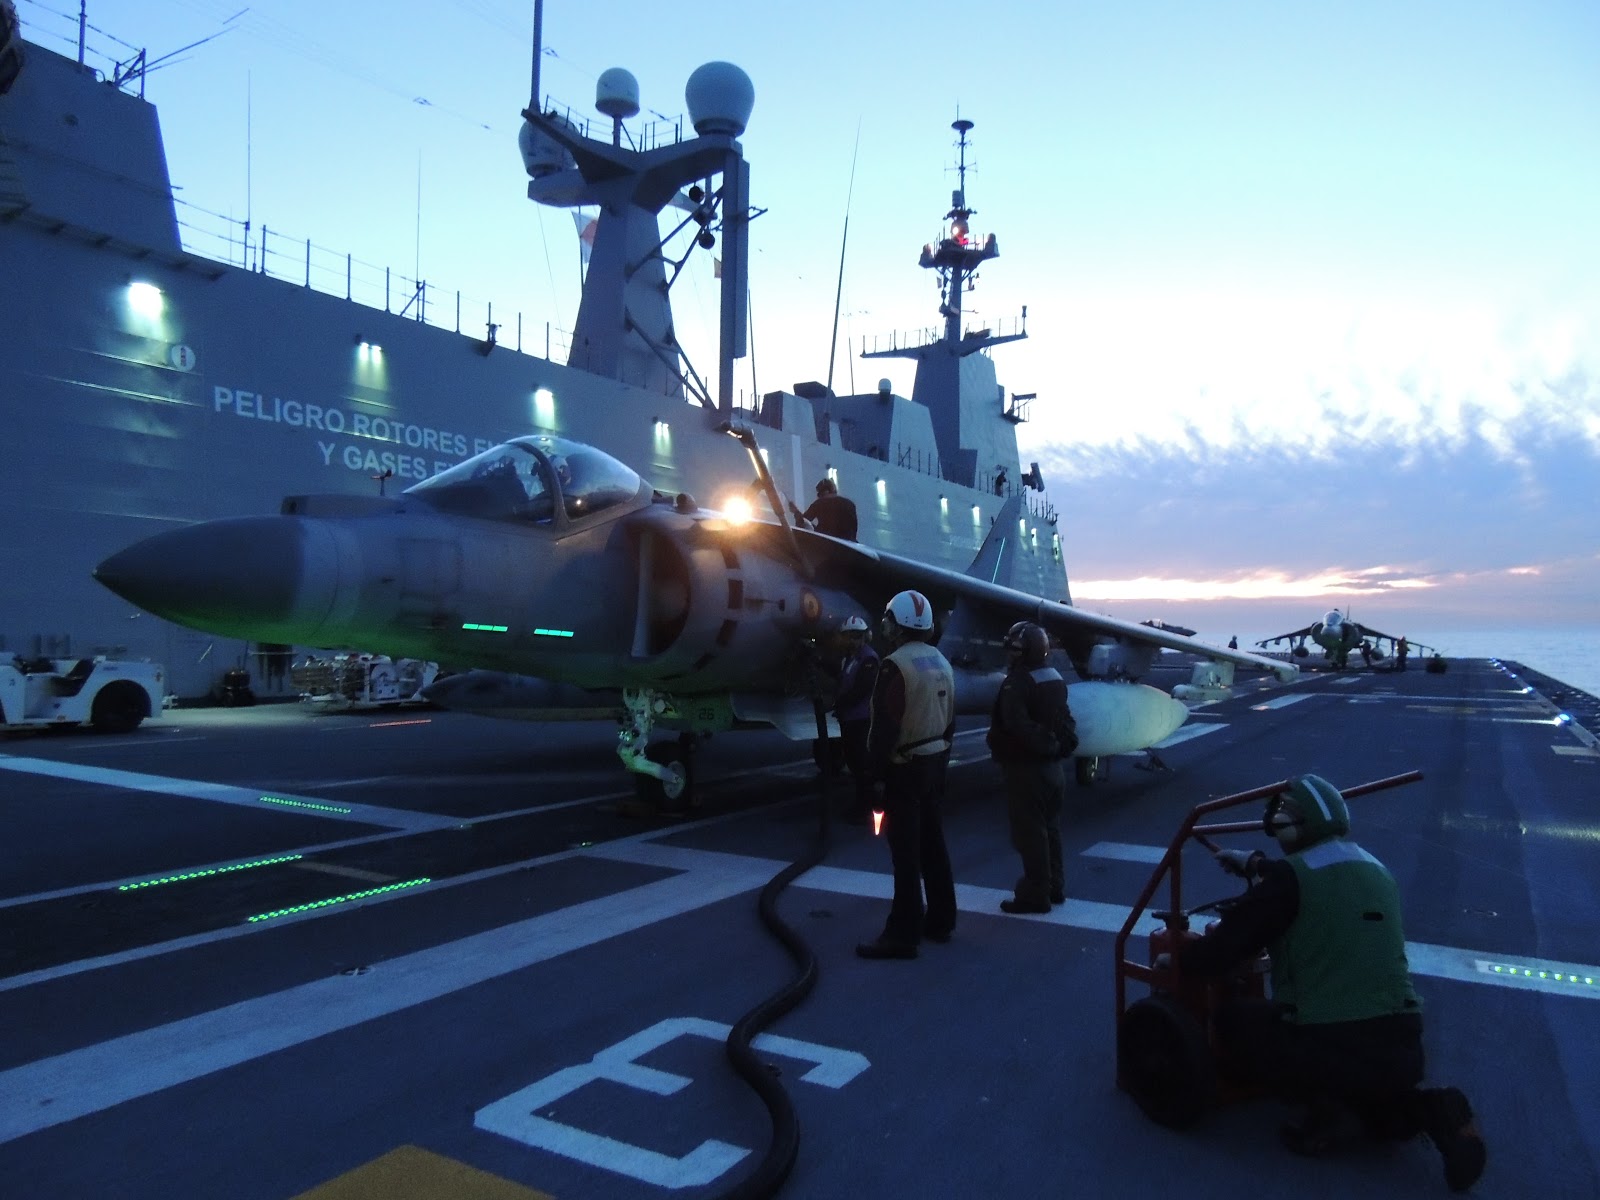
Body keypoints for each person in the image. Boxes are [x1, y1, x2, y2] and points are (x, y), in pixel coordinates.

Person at [1175, 775, 1486, 1192]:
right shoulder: (1375, 869)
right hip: (1403, 1045)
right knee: (1380, 1109)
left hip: (1328, 1045)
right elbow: (1317, 884)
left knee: (1233, 1021)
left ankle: (1325, 1108)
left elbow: (1222, 952)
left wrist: (1180, 959)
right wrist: (1255, 864)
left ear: (1290, 824)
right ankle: (1437, 1110)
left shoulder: (1290, 881)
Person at [856, 589, 957, 959]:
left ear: (896, 624)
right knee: (934, 847)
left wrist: (874, 776)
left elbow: (885, 726)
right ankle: (942, 920)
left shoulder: (894, 665)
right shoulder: (941, 662)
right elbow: (950, 724)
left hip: (904, 767)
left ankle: (902, 933)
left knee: (906, 854)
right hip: (934, 762)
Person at [986, 621, 1077, 913]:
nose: (1010, 654)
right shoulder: (1054, 678)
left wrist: (1043, 744)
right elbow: (1065, 722)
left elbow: (1015, 725)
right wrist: (1057, 746)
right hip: (1053, 770)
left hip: (1026, 769)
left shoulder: (1018, 682)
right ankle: (1055, 887)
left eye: (1015, 649)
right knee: (1050, 829)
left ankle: (1036, 894)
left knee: (1029, 833)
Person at [832, 615, 881, 823]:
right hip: (849, 719)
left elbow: (862, 688)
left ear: (865, 637)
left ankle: (866, 809)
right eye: (849, 636)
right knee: (853, 762)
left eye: (856, 636)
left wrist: (838, 704)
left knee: (861, 764)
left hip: (861, 720)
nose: (852, 640)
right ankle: (864, 804)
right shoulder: (850, 659)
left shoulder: (868, 659)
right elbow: (841, 677)